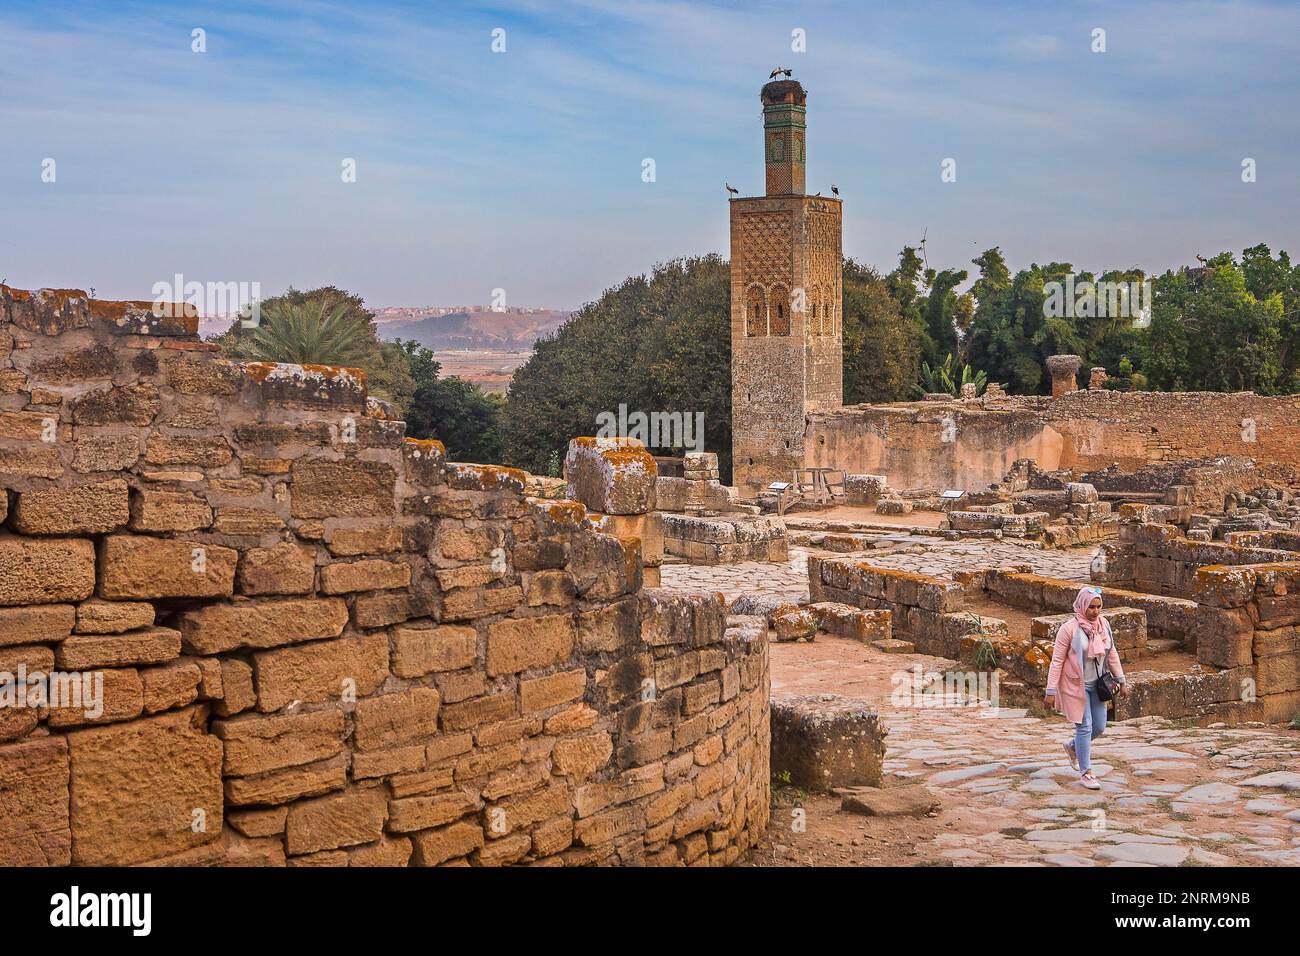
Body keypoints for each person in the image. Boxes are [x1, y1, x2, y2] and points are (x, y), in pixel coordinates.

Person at [1043, 586, 1127, 790]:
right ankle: (1086, 772)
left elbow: (1112, 653)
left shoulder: (1103, 625)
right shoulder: (1069, 629)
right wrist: (1051, 690)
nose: (1095, 611)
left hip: (1098, 685)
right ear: (1082, 605)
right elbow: (1057, 661)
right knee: (1085, 726)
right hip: (1075, 685)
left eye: (1098, 607)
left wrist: (1121, 679)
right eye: (1091, 607)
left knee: (1099, 726)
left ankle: (1073, 746)